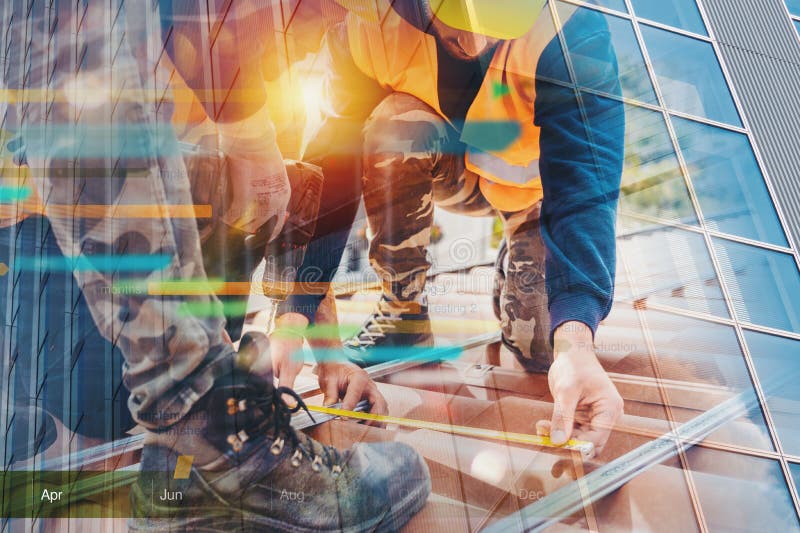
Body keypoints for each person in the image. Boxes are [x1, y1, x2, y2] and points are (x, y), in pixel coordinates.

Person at [1, 1, 430, 530]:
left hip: (184, 311)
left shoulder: (274, 80)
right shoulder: (113, 36)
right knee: (82, 461)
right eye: (322, 9)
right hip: (58, 262)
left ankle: (189, 465)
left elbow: (291, 228)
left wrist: (329, 354)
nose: (332, 25)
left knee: (173, 453)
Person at [322, 0, 626, 454]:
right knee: (394, 126)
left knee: (539, 350)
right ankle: (402, 314)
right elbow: (329, 171)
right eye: (461, 25)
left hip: (533, 198)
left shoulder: (570, 31)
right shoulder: (369, 27)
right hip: (454, 170)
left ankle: (521, 255)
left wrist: (576, 340)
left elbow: (585, 187)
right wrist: (307, 310)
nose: (477, 43)